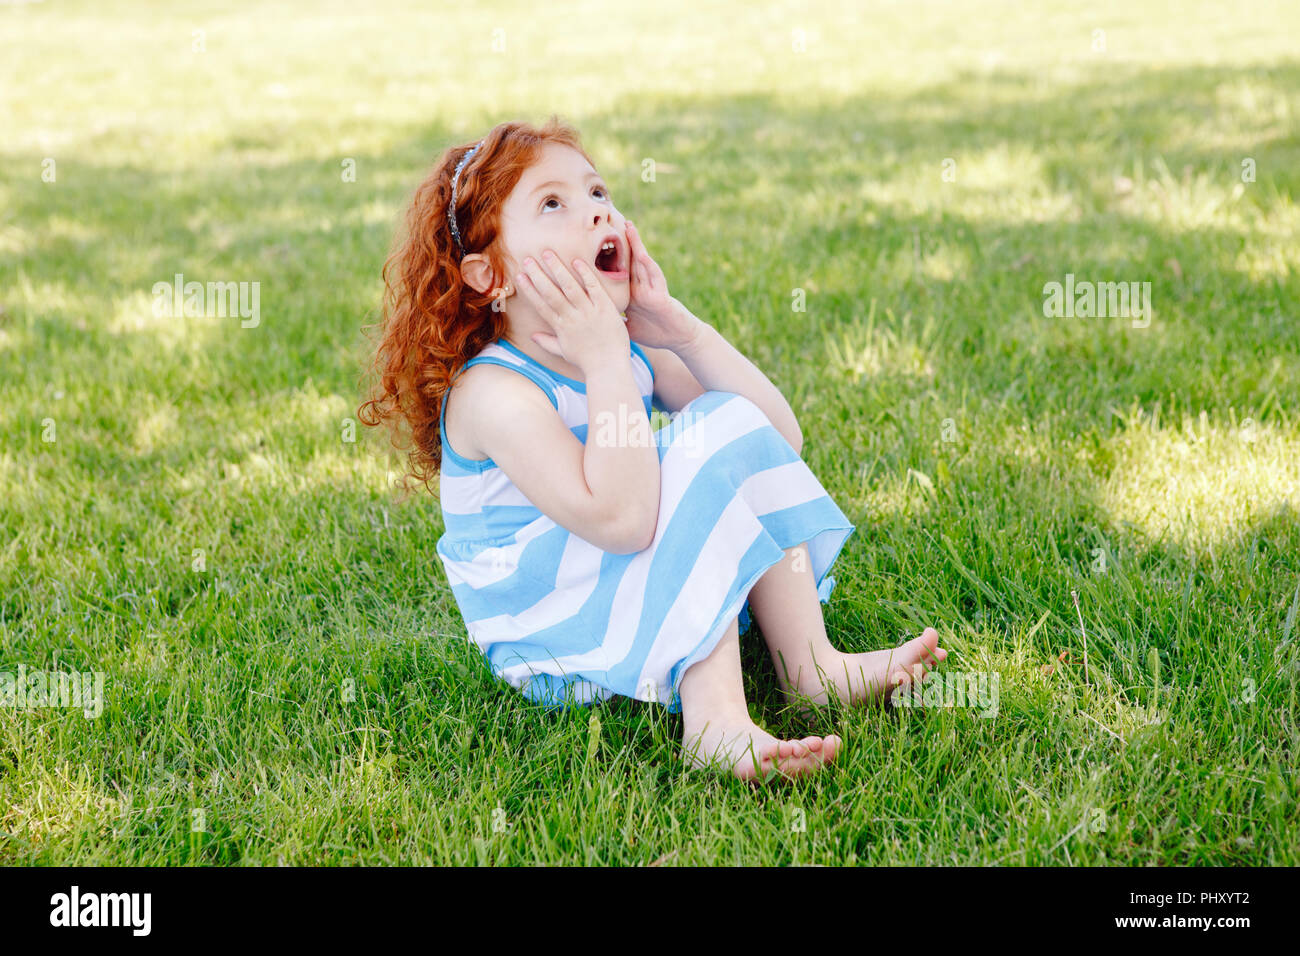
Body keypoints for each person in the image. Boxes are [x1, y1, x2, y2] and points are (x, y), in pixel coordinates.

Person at [358, 116, 947, 782]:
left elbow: (775, 440)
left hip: (623, 585)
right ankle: (715, 721)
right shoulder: (494, 393)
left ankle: (811, 667)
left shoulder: (629, 351)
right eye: (553, 204)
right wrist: (607, 358)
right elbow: (624, 519)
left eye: (599, 193)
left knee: (720, 423)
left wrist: (683, 334)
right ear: (490, 275)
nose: (594, 214)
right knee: (682, 454)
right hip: (556, 633)